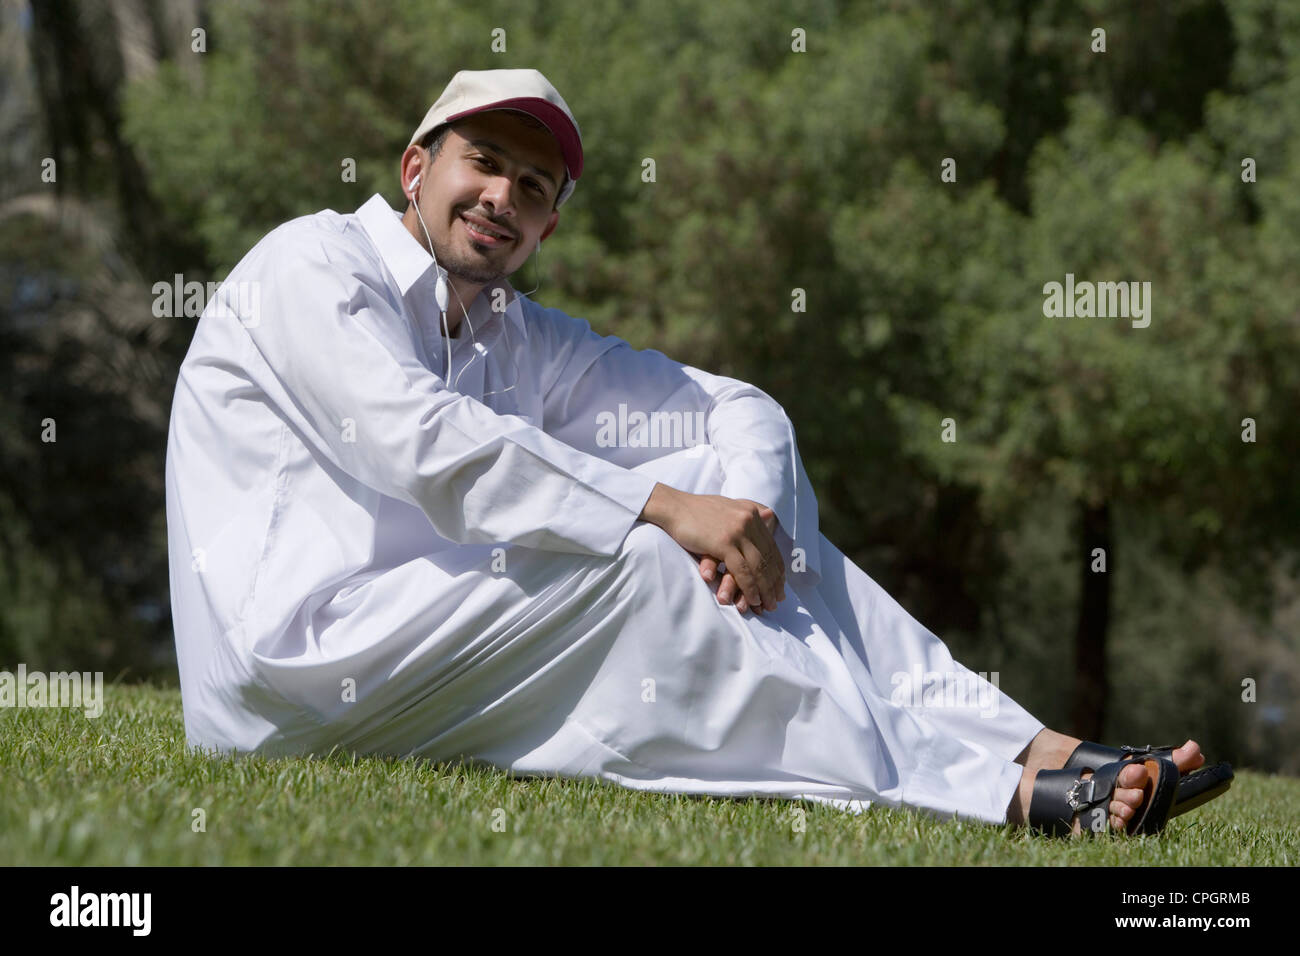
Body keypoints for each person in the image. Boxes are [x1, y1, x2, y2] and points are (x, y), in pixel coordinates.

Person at [165, 68, 1218, 837]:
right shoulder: (310, 263)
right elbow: (421, 443)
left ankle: (1036, 746)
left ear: (547, 230)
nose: (502, 197)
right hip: (296, 669)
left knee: (736, 521)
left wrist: (740, 523)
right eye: (483, 163)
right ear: (415, 166)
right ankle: (998, 790)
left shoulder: (513, 332)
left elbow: (737, 407)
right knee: (639, 556)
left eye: (533, 189)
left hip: (423, 628)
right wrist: (672, 511)